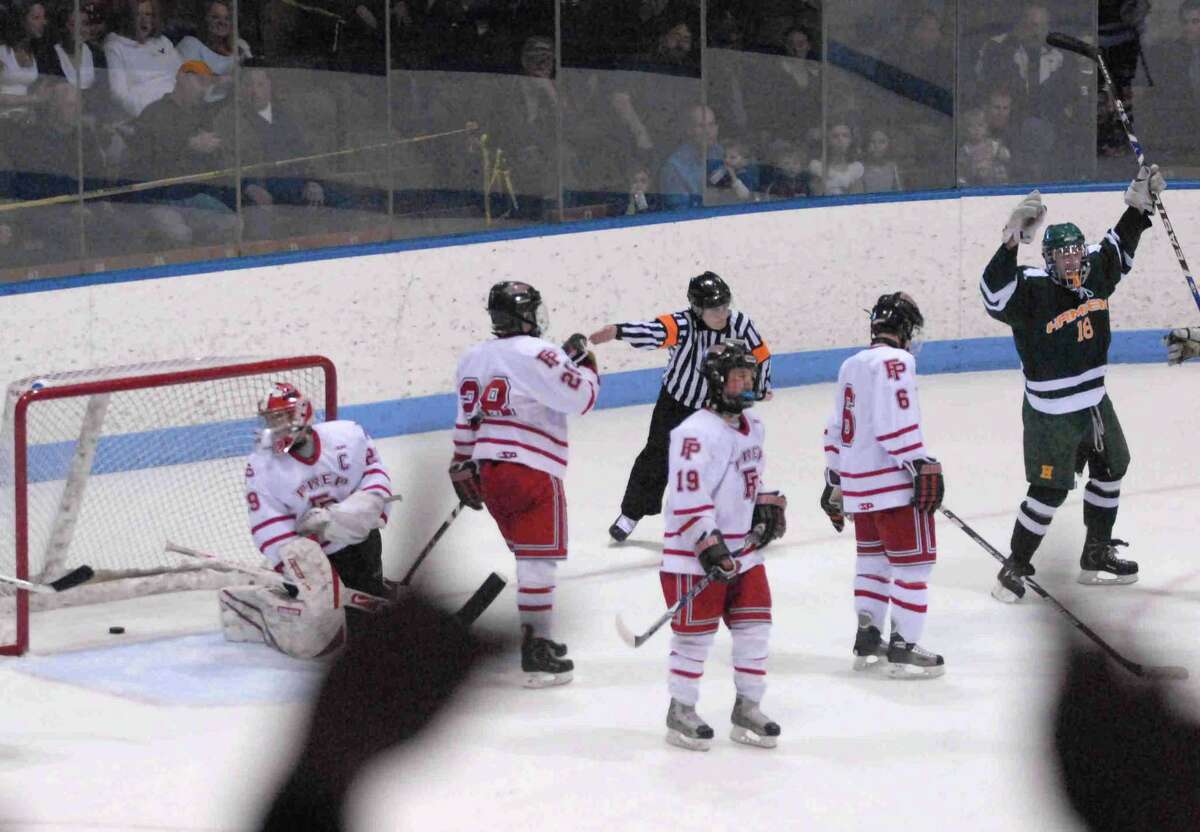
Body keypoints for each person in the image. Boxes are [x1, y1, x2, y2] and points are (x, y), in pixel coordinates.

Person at [982, 166, 1166, 603]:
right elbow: (993, 295)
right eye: (1062, 255)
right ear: (1047, 260)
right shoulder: (1031, 289)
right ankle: (1016, 563)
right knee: (1048, 491)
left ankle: (1096, 551)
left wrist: (1139, 207)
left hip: (1095, 403)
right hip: (1051, 413)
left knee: (1111, 468)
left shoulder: (1095, 272)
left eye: (1075, 252)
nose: (1072, 260)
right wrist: (1011, 241)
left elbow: (1118, 247)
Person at [449, 281, 599, 688]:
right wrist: (585, 363)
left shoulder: (473, 357)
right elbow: (581, 399)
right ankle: (536, 650)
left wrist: (462, 461)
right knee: (537, 564)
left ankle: (539, 637)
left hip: (491, 473)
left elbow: (467, 417)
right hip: (531, 468)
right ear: (526, 314)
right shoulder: (539, 351)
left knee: (529, 559)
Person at [658, 339, 786, 751]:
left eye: (750, 375)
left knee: (755, 627)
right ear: (716, 382)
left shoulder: (755, 427)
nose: (746, 384)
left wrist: (765, 506)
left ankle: (747, 707)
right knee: (694, 637)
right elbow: (686, 496)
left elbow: (750, 478)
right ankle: (681, 710)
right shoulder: (694, 433)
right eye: (737, 377)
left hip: (743, 553)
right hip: (693, 557)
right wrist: (708, 545)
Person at [590, 271, 772, 543]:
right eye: (713, 308)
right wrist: (618, 331)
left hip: (719, 407)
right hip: (676, 403)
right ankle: (631, 514)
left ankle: (750, 518)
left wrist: (761, 385)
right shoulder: (683, 324)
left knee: (735, 460)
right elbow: (652, 331)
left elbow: (760, 355)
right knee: (656, 457)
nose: (721, 313)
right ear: (698, 308)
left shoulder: (741, 324)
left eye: (724, 305)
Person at [819, 292, 946, 678]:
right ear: (904, 329)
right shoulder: (897, 361)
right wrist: (919, 462)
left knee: (873, 562)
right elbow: (895, 422)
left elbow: (835, 427)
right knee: (914, 567)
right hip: (895, 484)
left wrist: (835, 481)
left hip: (859, 487)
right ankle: (904, 646)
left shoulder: (851, 364)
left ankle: (868, 635)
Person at [221, 381, 395, 659]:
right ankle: (259, 607)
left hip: (358, 546)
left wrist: (362, 509)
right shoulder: (262, 466)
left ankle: (373, 586)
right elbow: (267, 524)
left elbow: (374, 473)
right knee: (315, 642)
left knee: (363, 631)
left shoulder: (347, 436)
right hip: (309, 560)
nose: (276, 426)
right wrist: (299, 563)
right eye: (271, 420)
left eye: (283, 417)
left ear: (303, 413)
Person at [102, 0, 182, 119]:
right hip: (149, 115)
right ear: (127, 18)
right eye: (138, 14)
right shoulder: (115, 46)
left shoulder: (163, 42)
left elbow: (182, 74)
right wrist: (149, 113)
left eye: (148, 14)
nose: (144, 20)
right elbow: (118, 95)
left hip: (178, 106)